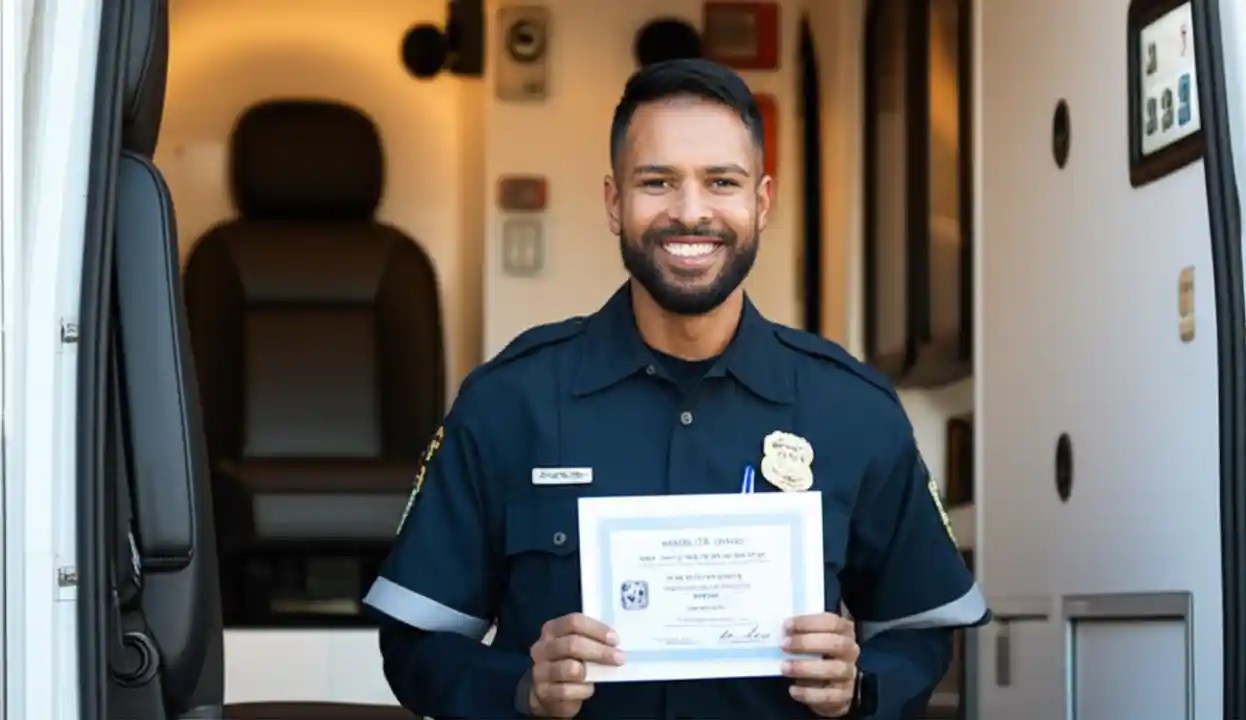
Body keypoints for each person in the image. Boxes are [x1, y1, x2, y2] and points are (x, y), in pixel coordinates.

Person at [364, 57, 989, 719]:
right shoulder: (508, 402)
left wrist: (860, 683)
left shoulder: (854, 411)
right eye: (657, 181)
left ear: (762, 201)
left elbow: (920, 631)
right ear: (614, 202)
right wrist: (521, 686)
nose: (690, 213)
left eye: (722, 181)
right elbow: (417, 645)